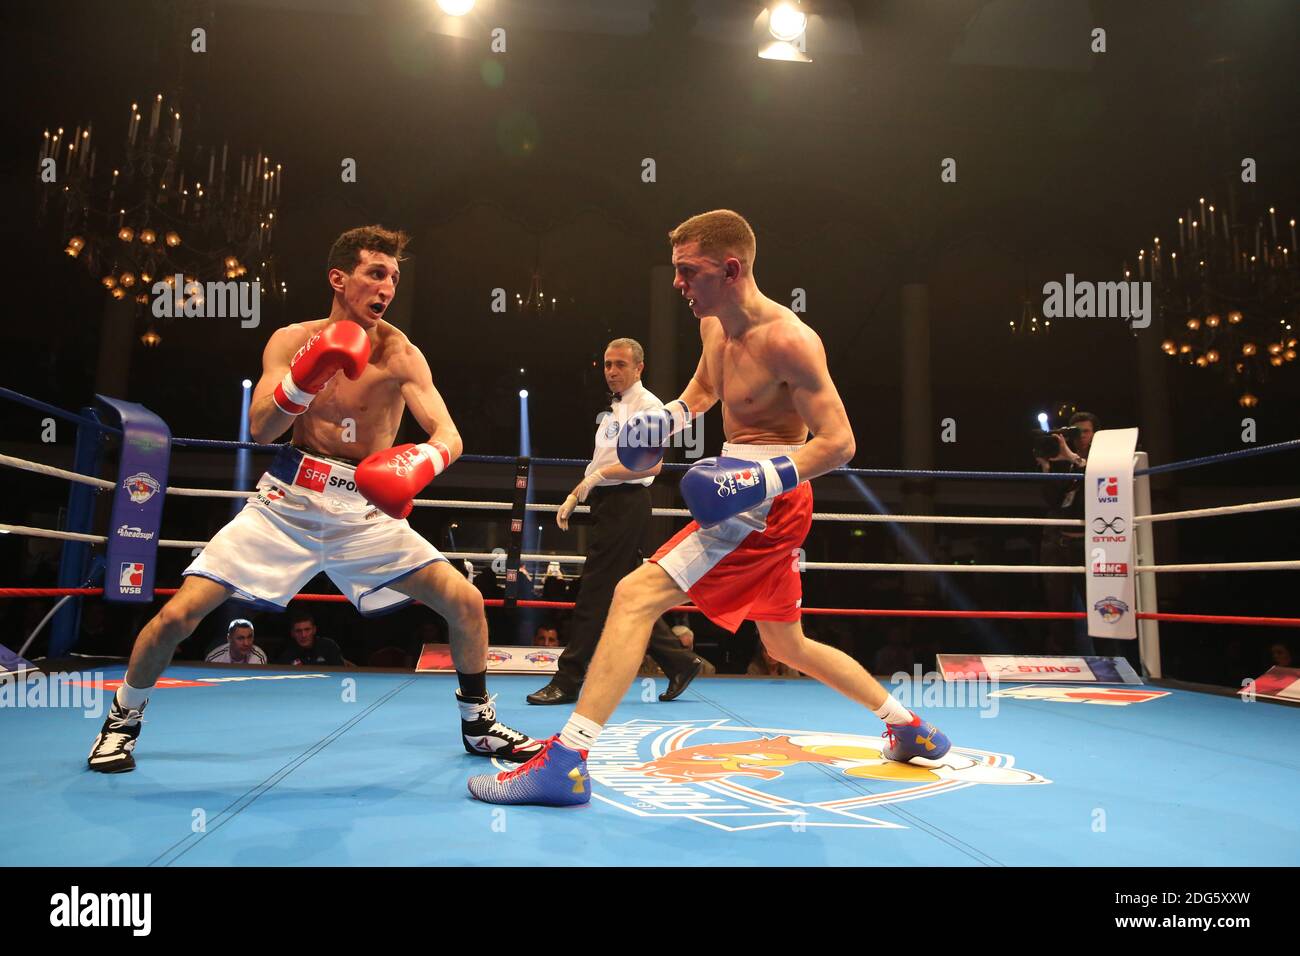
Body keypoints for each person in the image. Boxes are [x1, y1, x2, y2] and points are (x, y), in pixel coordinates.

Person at [469, 209, 951, 805]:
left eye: (687, 271)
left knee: (632, 595)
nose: (677, 284)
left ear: (731, 268)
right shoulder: (712, 324)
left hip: (768, 500)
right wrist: (667, 419)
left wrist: (761, 475)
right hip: (742, 486)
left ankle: (566, 762)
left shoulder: (790, 340)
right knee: (784, 645)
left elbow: (840, 443)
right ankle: (909, 727)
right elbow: (704, 389)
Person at [88, 225, 540, 772]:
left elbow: (449, 434)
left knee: (465, 603)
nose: (387, 287)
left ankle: (478, 724)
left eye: (394, 277)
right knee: (178, 616)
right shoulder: (290, 339)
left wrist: (416, 462)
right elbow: (261, 427)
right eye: (376, 273)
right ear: (338, 278)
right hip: (287, 505)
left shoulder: (400, 353)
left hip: (364, 512)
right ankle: (121, 722)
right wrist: (307, 376)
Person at [526, 338, 704, 706]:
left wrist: (593, 480)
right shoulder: (613, 410)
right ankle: (680, 661)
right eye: (607, 364)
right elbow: (603, 462)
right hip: (608, 505)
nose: (611, 371)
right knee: (621, 597)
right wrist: (578, 492)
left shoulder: (648, 407)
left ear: (639, 367)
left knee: (593, 592)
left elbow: (652, 465)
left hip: (626, 505)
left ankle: (568, 678)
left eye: (620, 364)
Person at [1037, 411, 1097, 656]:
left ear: (1095, 434)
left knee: (1100, 611)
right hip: (1058, 544)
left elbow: (1101, 483)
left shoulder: (1106, 459)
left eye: (1086, 431)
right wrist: (1047, 467)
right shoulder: (1065, 462)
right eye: (1076, 432)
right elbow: (1053, 502)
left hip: (1091, 548)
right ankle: (1062, 664)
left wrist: (1074, 459)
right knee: (1058, 611)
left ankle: (1116, 665)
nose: (1081, 436)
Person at [274, 611, 344, 666]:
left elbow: (341, 673)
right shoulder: (286, 651)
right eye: (298, 631)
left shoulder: (328, 646)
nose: (303, 635)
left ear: (314, 630)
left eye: (307, 630)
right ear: (292, 633)